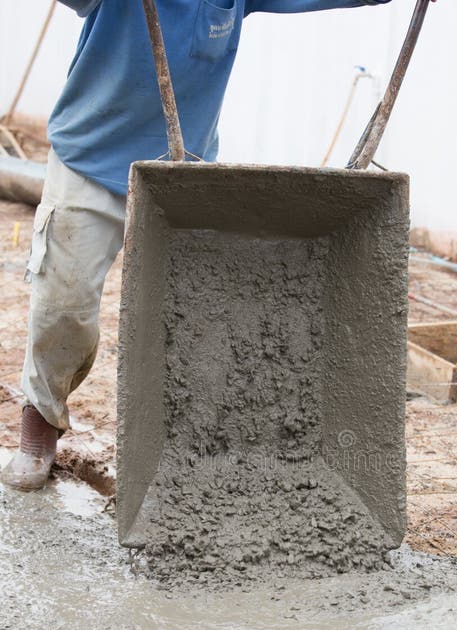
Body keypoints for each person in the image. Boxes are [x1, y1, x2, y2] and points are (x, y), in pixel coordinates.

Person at [1, 0, 397, 491]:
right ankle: (39, 426)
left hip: (179, 170)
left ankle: (187, 446)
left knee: (191, 316)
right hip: (89, 157)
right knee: (65, 303)